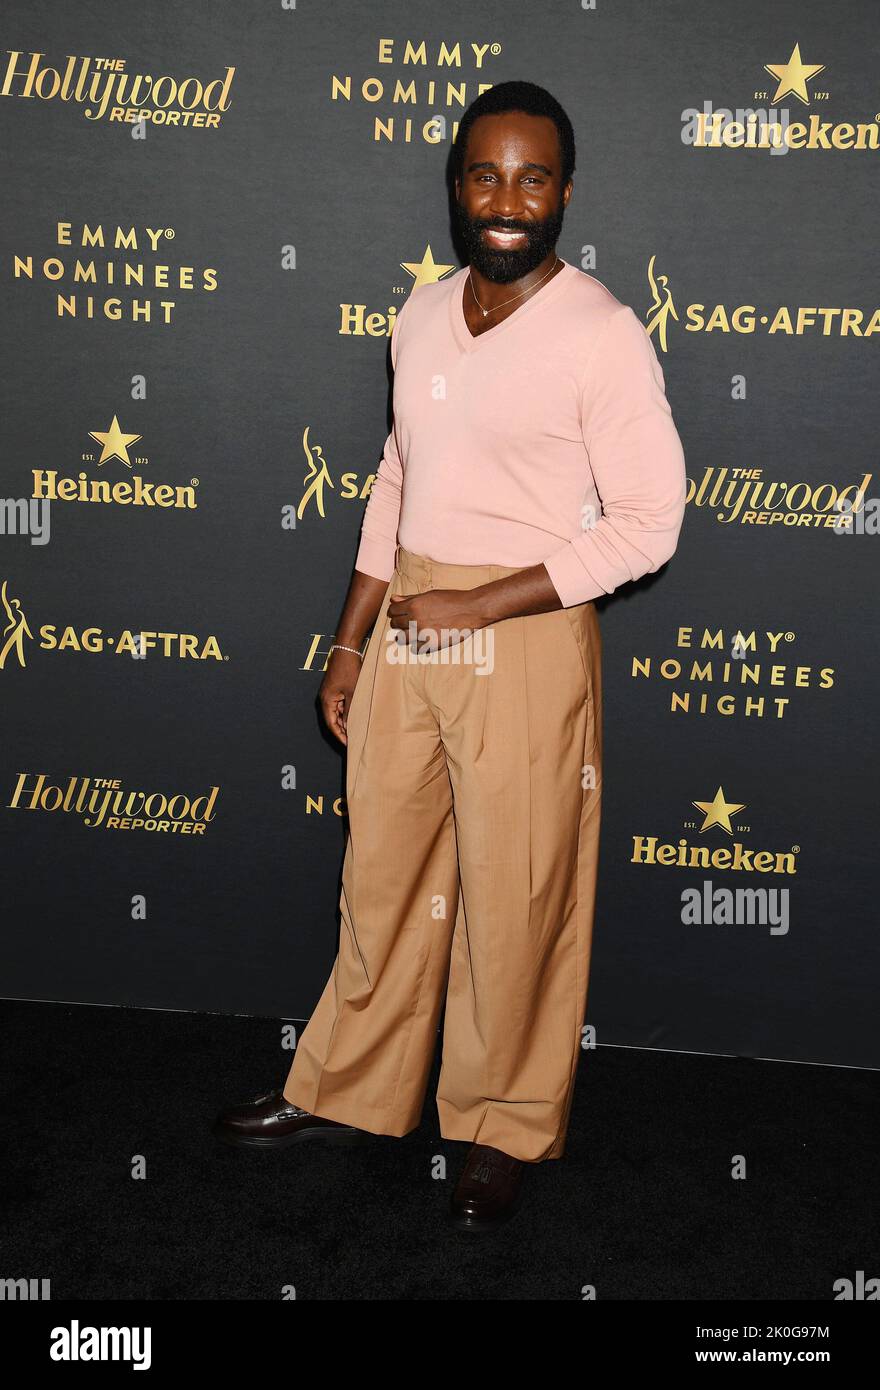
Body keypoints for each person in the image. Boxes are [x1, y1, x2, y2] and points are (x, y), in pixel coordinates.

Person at [213, 80, 687, 1233]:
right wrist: (350, 636)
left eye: (533, 177)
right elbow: (394, 479)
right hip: (408, 628)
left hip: (518, 637)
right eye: (485, 174)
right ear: (456, 186)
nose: (507, 199)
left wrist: (484, 608)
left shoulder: (602, 333)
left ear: (566, 191)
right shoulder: (420, 313)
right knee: (380, 873)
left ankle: (498, 1123)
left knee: (515, 895)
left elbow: (650, 522)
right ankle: (347, 1086)